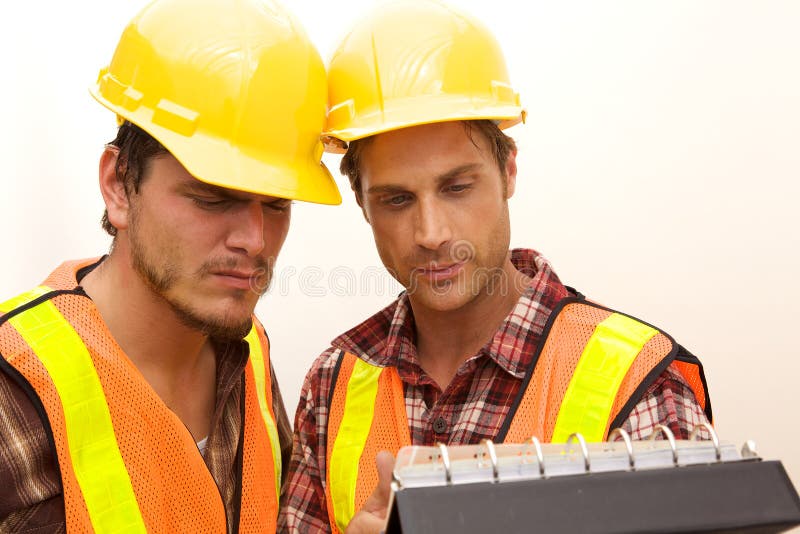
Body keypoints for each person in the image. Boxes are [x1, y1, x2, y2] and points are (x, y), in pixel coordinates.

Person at [279, 1, 712, 532]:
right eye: (396, 200)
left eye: (457, 187)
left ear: (508, 170)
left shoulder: (637, 384)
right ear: (361, 201)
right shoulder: (334, 383)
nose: (432, 233)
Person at [0, 0, 340, 532]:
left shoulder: (248, 349)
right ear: (119, 184)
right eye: (212, 197)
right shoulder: (13, 382)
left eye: (276, 203)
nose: (255, 240)